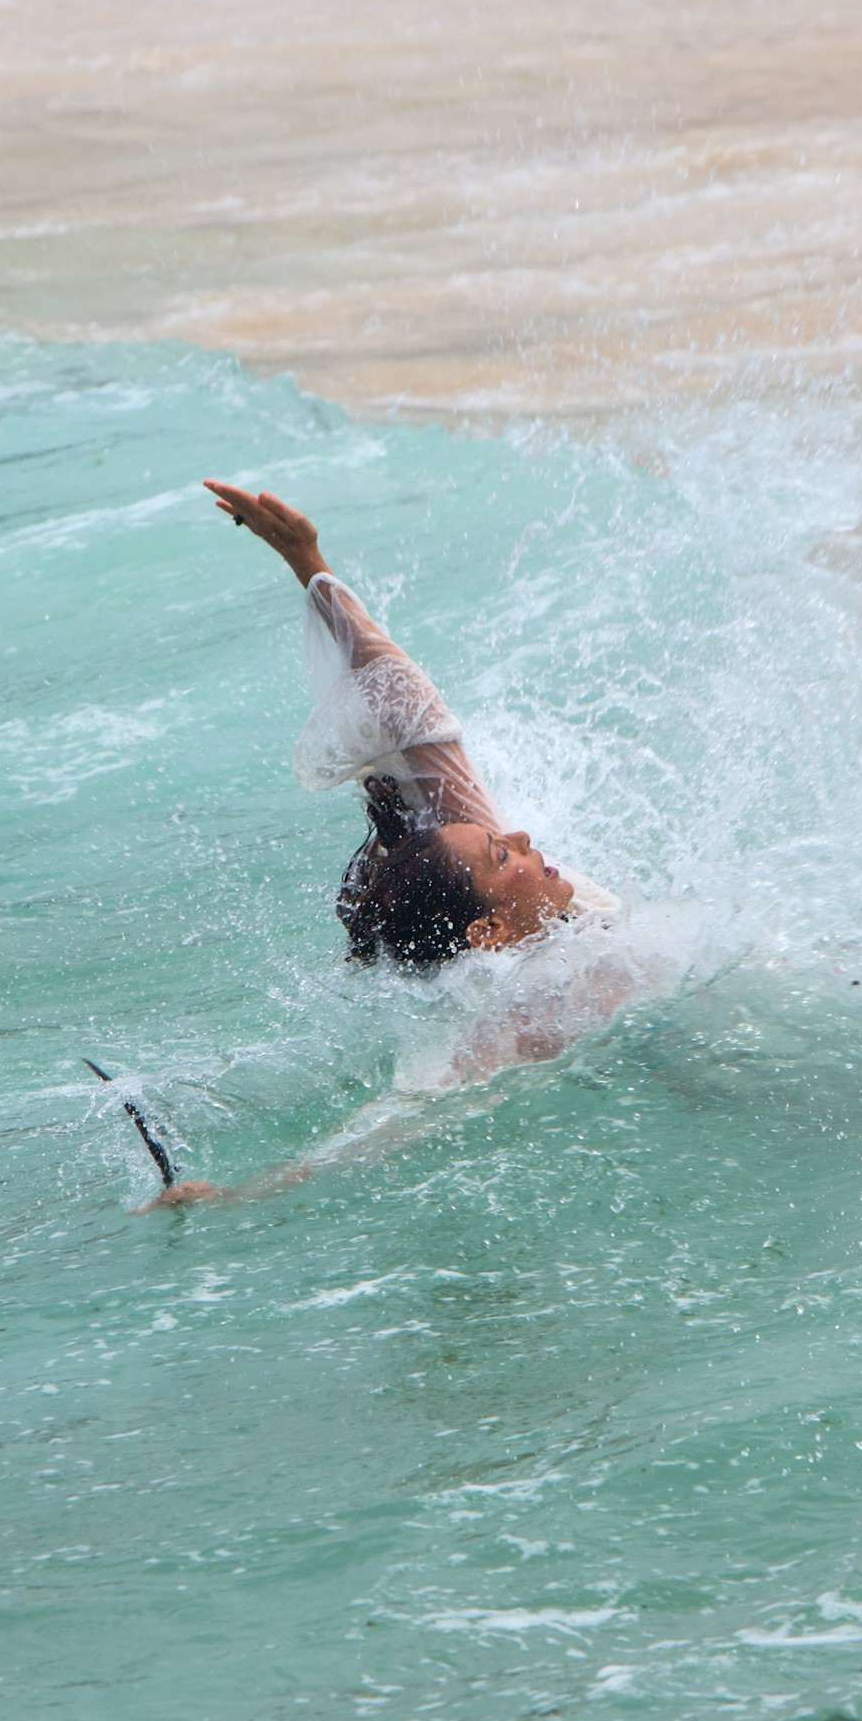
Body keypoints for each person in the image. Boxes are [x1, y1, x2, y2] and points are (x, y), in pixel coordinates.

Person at [124, 480, 633, 1208]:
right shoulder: (514, 1023)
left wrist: (308, 561)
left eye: (500, 840)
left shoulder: (494, 877)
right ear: (487, 932)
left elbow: (410, 707)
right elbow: (387, 1128)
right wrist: (240, 1197)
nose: (519, 836)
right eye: (502, 855)